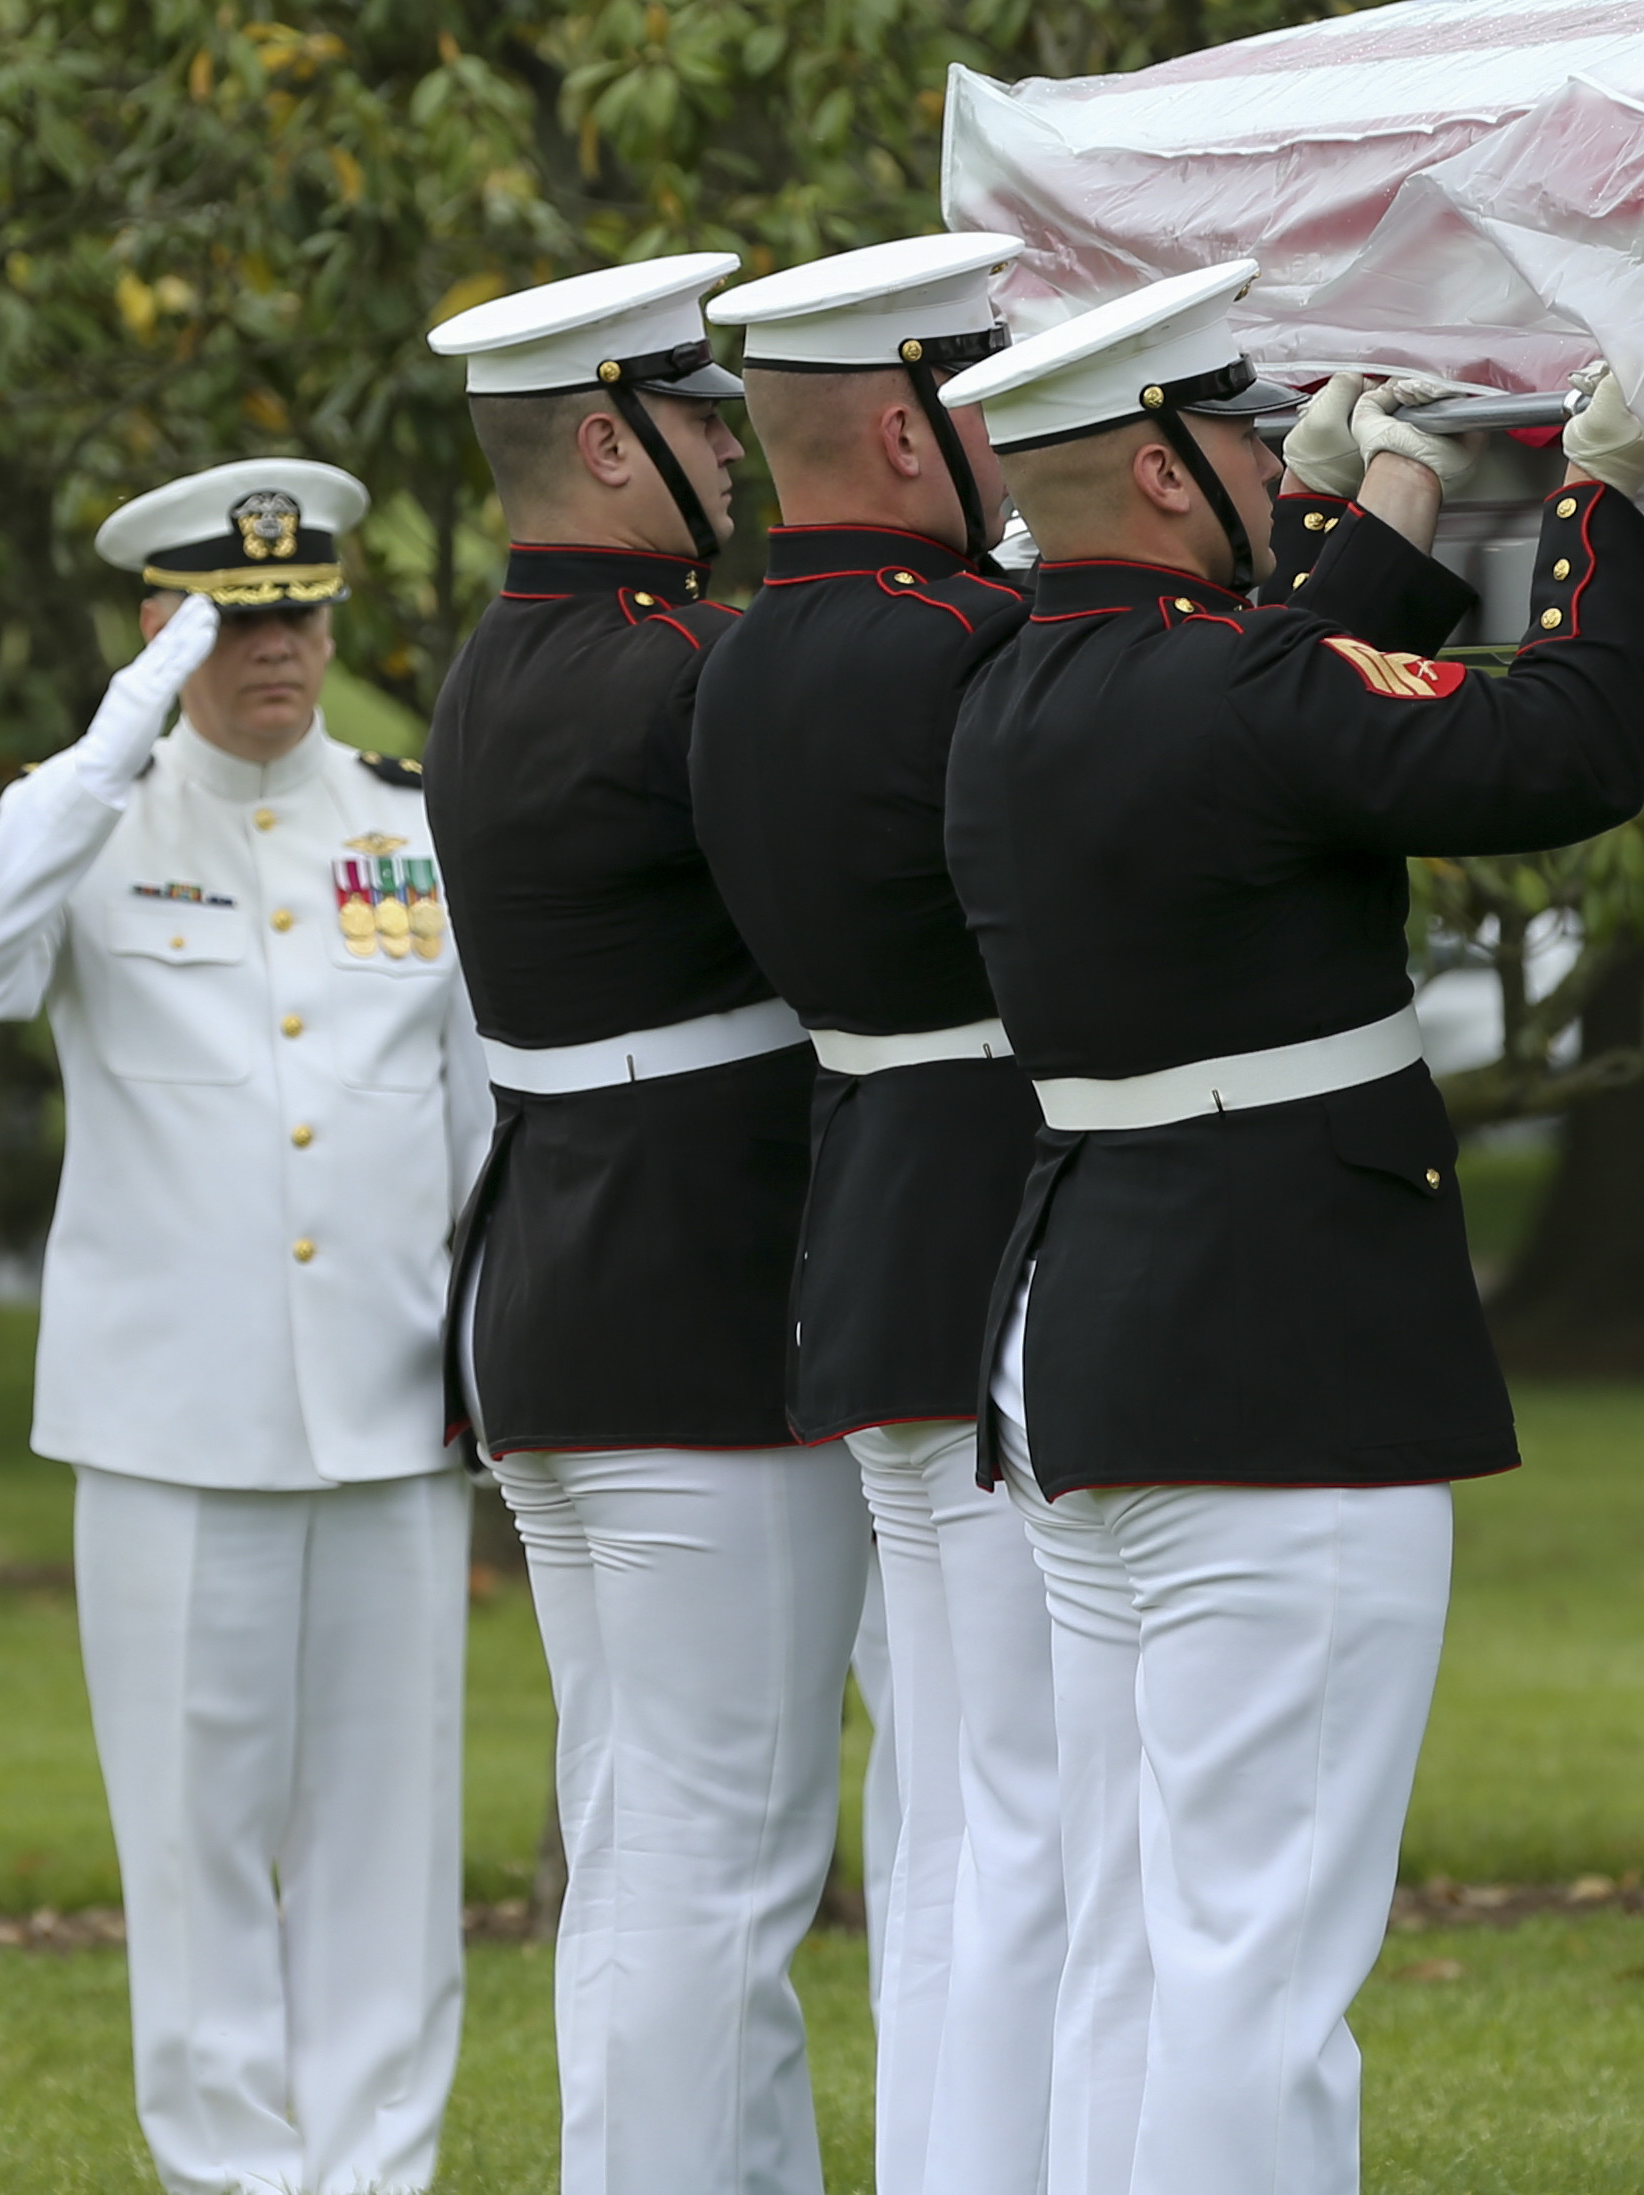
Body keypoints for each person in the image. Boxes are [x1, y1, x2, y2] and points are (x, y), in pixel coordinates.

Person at [940, 262, 1644, 2195]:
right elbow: (1565, 751)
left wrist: (1383, 515)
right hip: (1277, 1365)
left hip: (1095, 1343)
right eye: (1255, 446)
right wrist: (1607, 506)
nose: (1277, 472)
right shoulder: (1241, 694)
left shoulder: (1004, 684)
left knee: (1137, 1939)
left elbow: (1271, 705)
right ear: (1174, 478)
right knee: (1262, 1961)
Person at [0, 459, 487, 2194]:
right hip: (172, 1421)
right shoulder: (87, 825)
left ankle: (377, 2167)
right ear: (161, 627)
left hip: (381, 1406)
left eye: (300, 610)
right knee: (195, 1836)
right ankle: (230, 2172)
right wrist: (116, 735)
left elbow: (473, 1128)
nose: (278, 645)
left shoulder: (408, 822)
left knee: (388, 1836)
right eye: (234, 615)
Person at [422, 256, 863, 2195]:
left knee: (644, 1832)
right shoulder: (687, 673)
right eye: (702, 428)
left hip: (559, 1297)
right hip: (700, 1298)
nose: (738, 462)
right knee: (717, 1848)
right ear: (611, 441)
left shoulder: (490, 665)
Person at [688, 232, 1067, 2195]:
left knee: (947, 1802)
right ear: (909, 428)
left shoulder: (745, 648)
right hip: (997, 1206)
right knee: (1021, 1806)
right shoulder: (964, 650)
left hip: (869, 1206)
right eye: (986, 395)